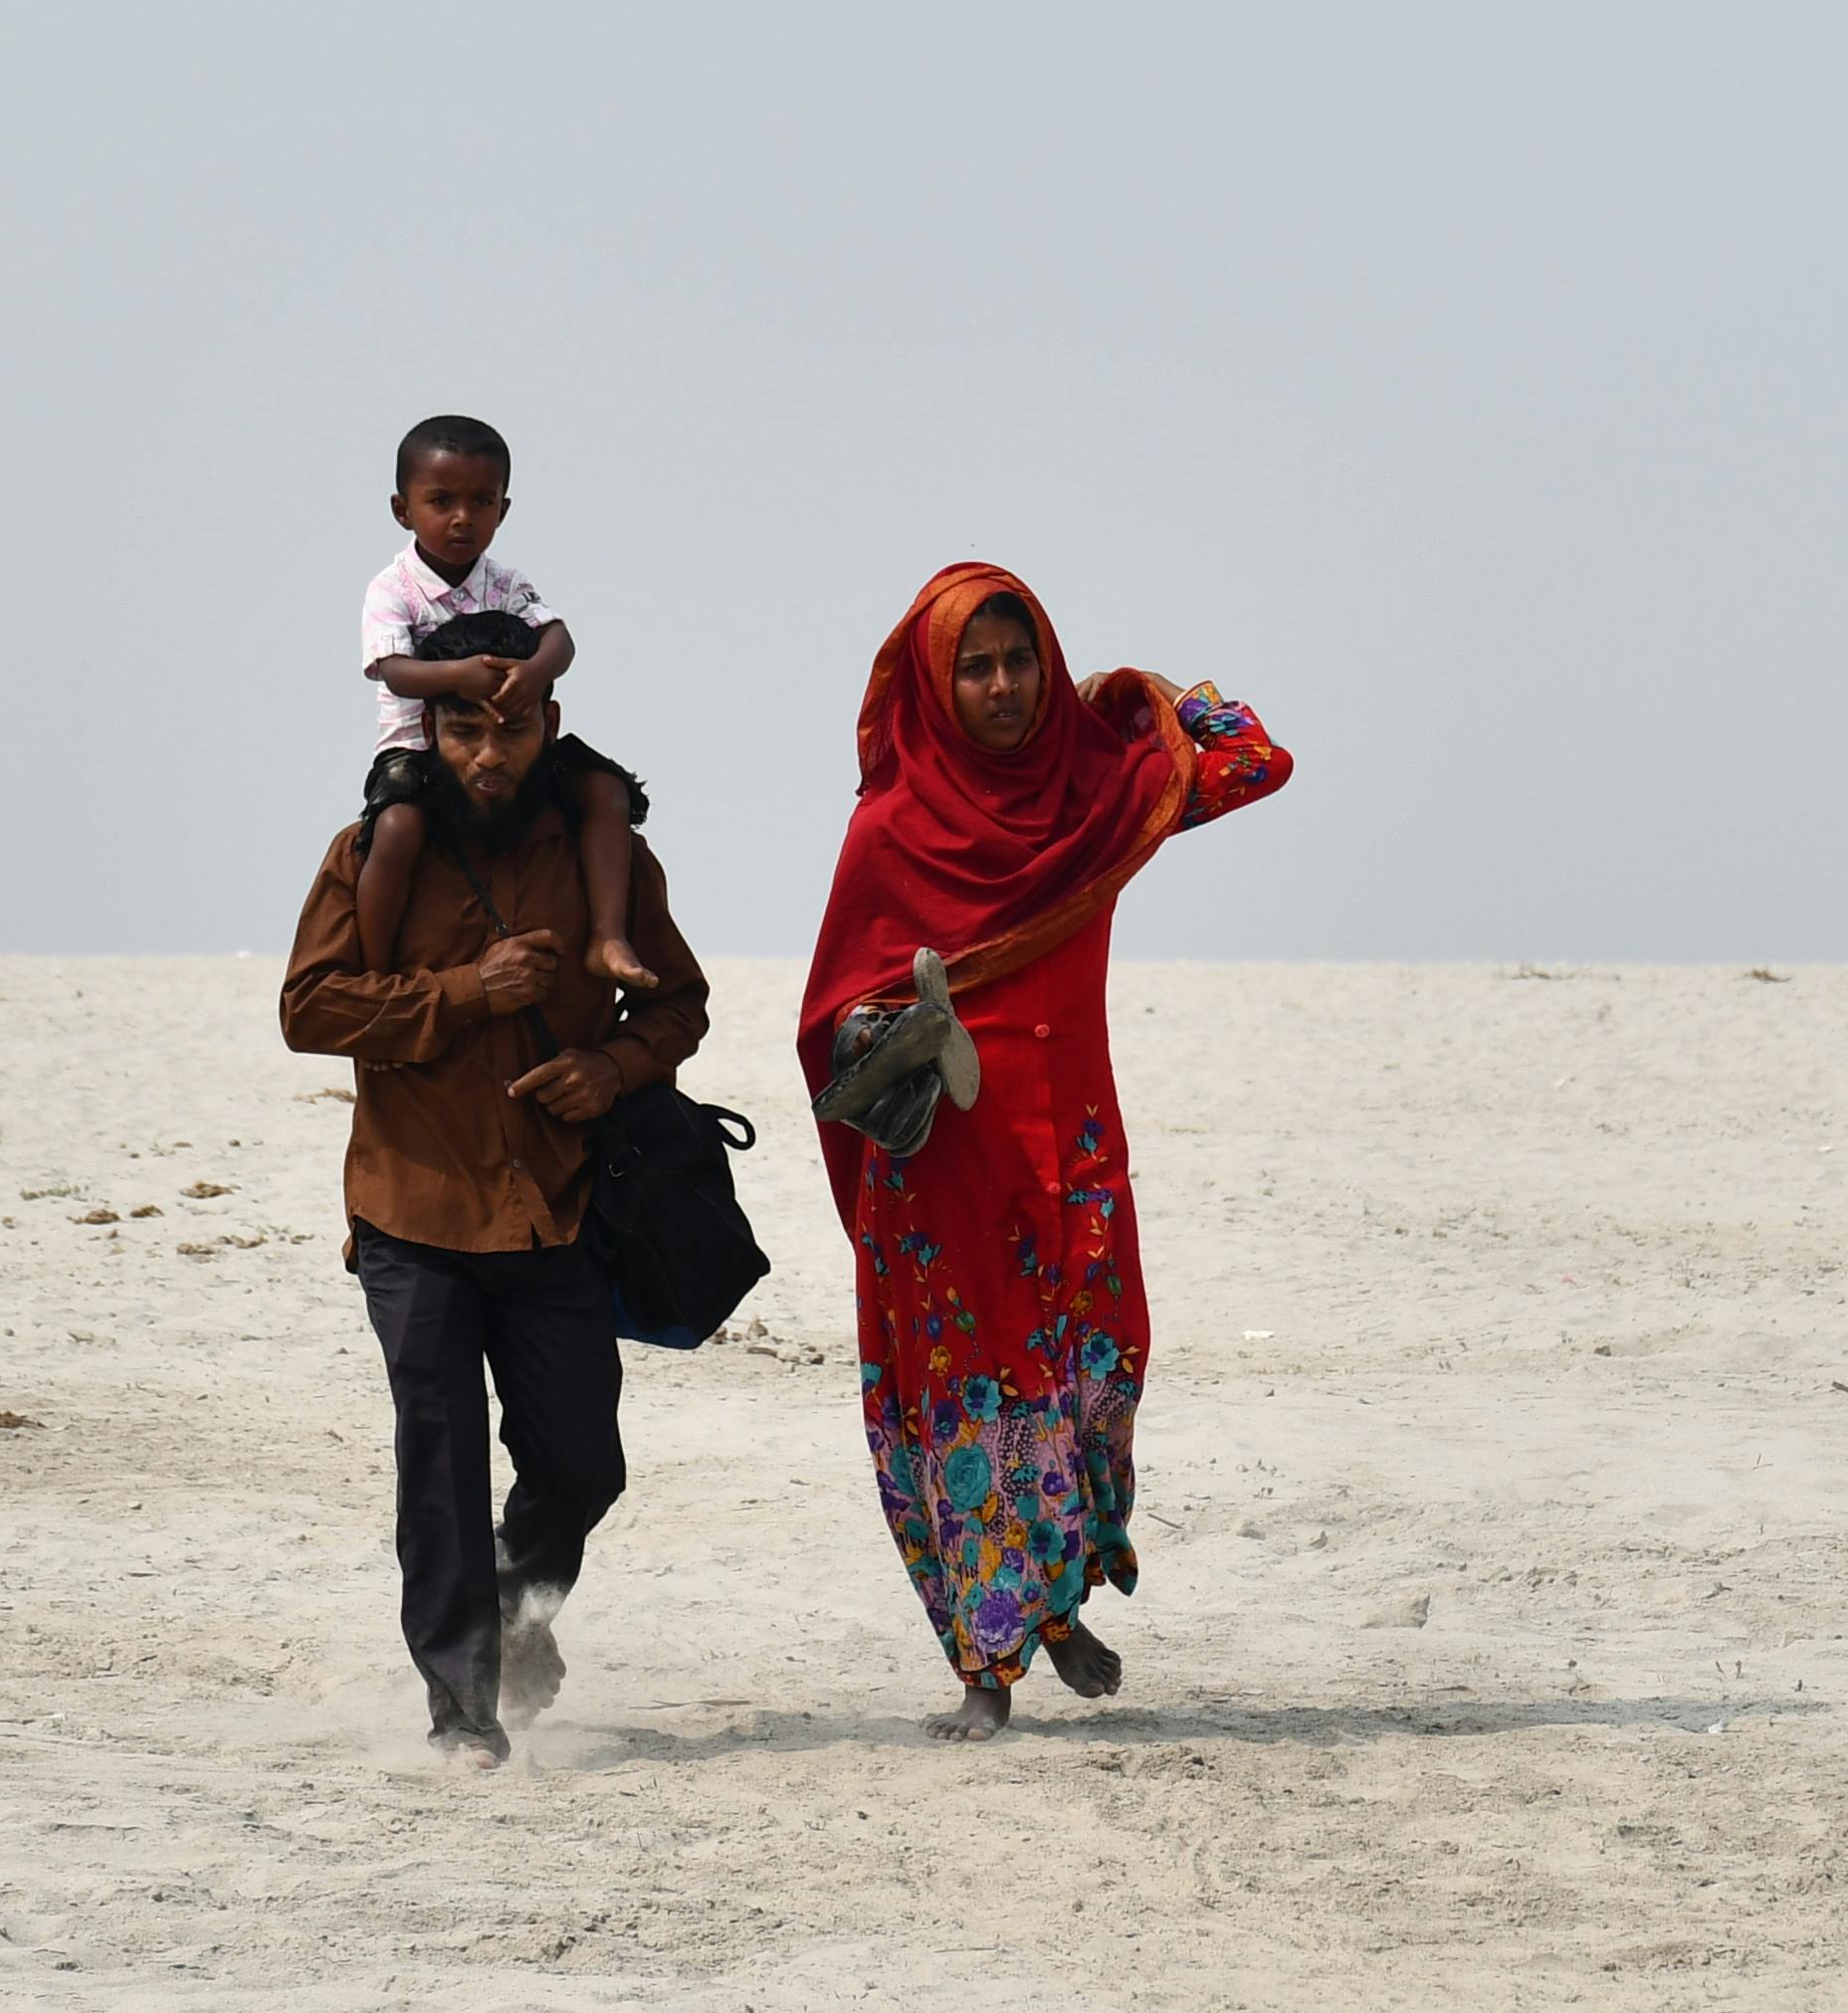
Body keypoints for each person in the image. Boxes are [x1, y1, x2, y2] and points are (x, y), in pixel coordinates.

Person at [796, 563, 1292, 1742]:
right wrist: (878, 1030)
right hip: (950, 1172)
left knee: (1093, 1373)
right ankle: (986, 1664)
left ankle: (1058, 1607)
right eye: (977, 666)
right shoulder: (890, 831)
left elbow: (1256, 762)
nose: (1007, 686)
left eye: (1023, 660)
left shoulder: (1097, 792)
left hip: (1075, 1153)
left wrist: (1150, 694)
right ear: (935, 680)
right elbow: (828, 1022)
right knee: (972, 1401)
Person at [280, 612, 715, 1767]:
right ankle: (461, 1707)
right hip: (409, 1207)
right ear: (429, 731)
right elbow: (309, 1010)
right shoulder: (375, 849)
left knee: (583, 1461)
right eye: (463, 728)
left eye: (510, 727)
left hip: (552, 1209)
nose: (487, 753)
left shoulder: (601, 858)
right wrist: (468, 990)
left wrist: (610, 1066)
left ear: (549, 725)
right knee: (440, 1453)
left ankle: (521, 1598)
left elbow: (680, 1004)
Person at [353, 415, 655, 997]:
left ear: (503, 509)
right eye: (441, 500)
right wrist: (458, 677)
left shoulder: (507, 582)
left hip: (515, 735)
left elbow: (560, 639)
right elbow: (392, 671)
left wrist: (535, 671)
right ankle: (374, 969)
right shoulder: (392, 589)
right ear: (402, 509)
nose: (462, 517)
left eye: (481, 501)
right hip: (419, 745)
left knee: (606, 792)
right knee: (395, 828)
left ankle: (608, 935)